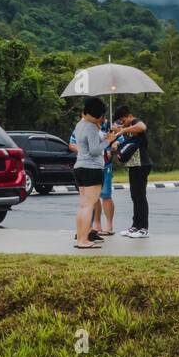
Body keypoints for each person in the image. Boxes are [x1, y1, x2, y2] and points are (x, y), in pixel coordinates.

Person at [110, 104, 151, 238]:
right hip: (134, 165)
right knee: (135, 196)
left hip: (142, 164)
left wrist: (123, 130)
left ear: (129, 116)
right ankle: (135, 226)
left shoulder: (135, 122)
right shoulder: (129, 128)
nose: (122, 123)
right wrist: (117, 142)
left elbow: (142, 127)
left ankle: (143, 228)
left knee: (140, 197)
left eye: (123, 120)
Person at [72, 97, 107, 249]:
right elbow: (94, 150)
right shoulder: (91, 127)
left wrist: (103, 139)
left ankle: (80, 238)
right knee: (88, 206)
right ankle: (84, 240)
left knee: (83, 206)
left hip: (80, 167)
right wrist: (109, 141)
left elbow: (87, 146)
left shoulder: (80, 125)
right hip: (91, 169)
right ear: (97, 114)